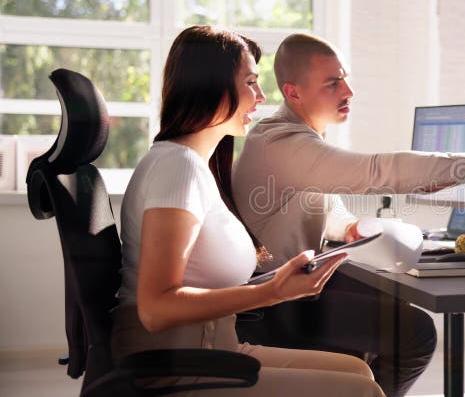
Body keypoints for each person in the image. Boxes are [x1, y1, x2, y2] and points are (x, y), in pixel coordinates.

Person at [232, 33, 465, 396]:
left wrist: (349, 226)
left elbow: (310, 203)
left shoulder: (293, 138)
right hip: (270, 303)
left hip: (289, 286)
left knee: (391, 303)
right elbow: (380, 170)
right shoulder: (281, 143)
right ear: (294, 92)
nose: (349, 91)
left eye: (345, 78)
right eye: (333, 83)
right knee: (416, 333)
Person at [111, 25, 385, 397]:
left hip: (215, 346)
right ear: (210, 86)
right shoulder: (178, 169)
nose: (261, 96)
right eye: (251, 82)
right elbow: (156, 308)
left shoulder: (194, 165)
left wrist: (284, 284)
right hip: (178, 365)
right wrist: (273, 291)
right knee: (360, 391)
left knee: (358, 370)